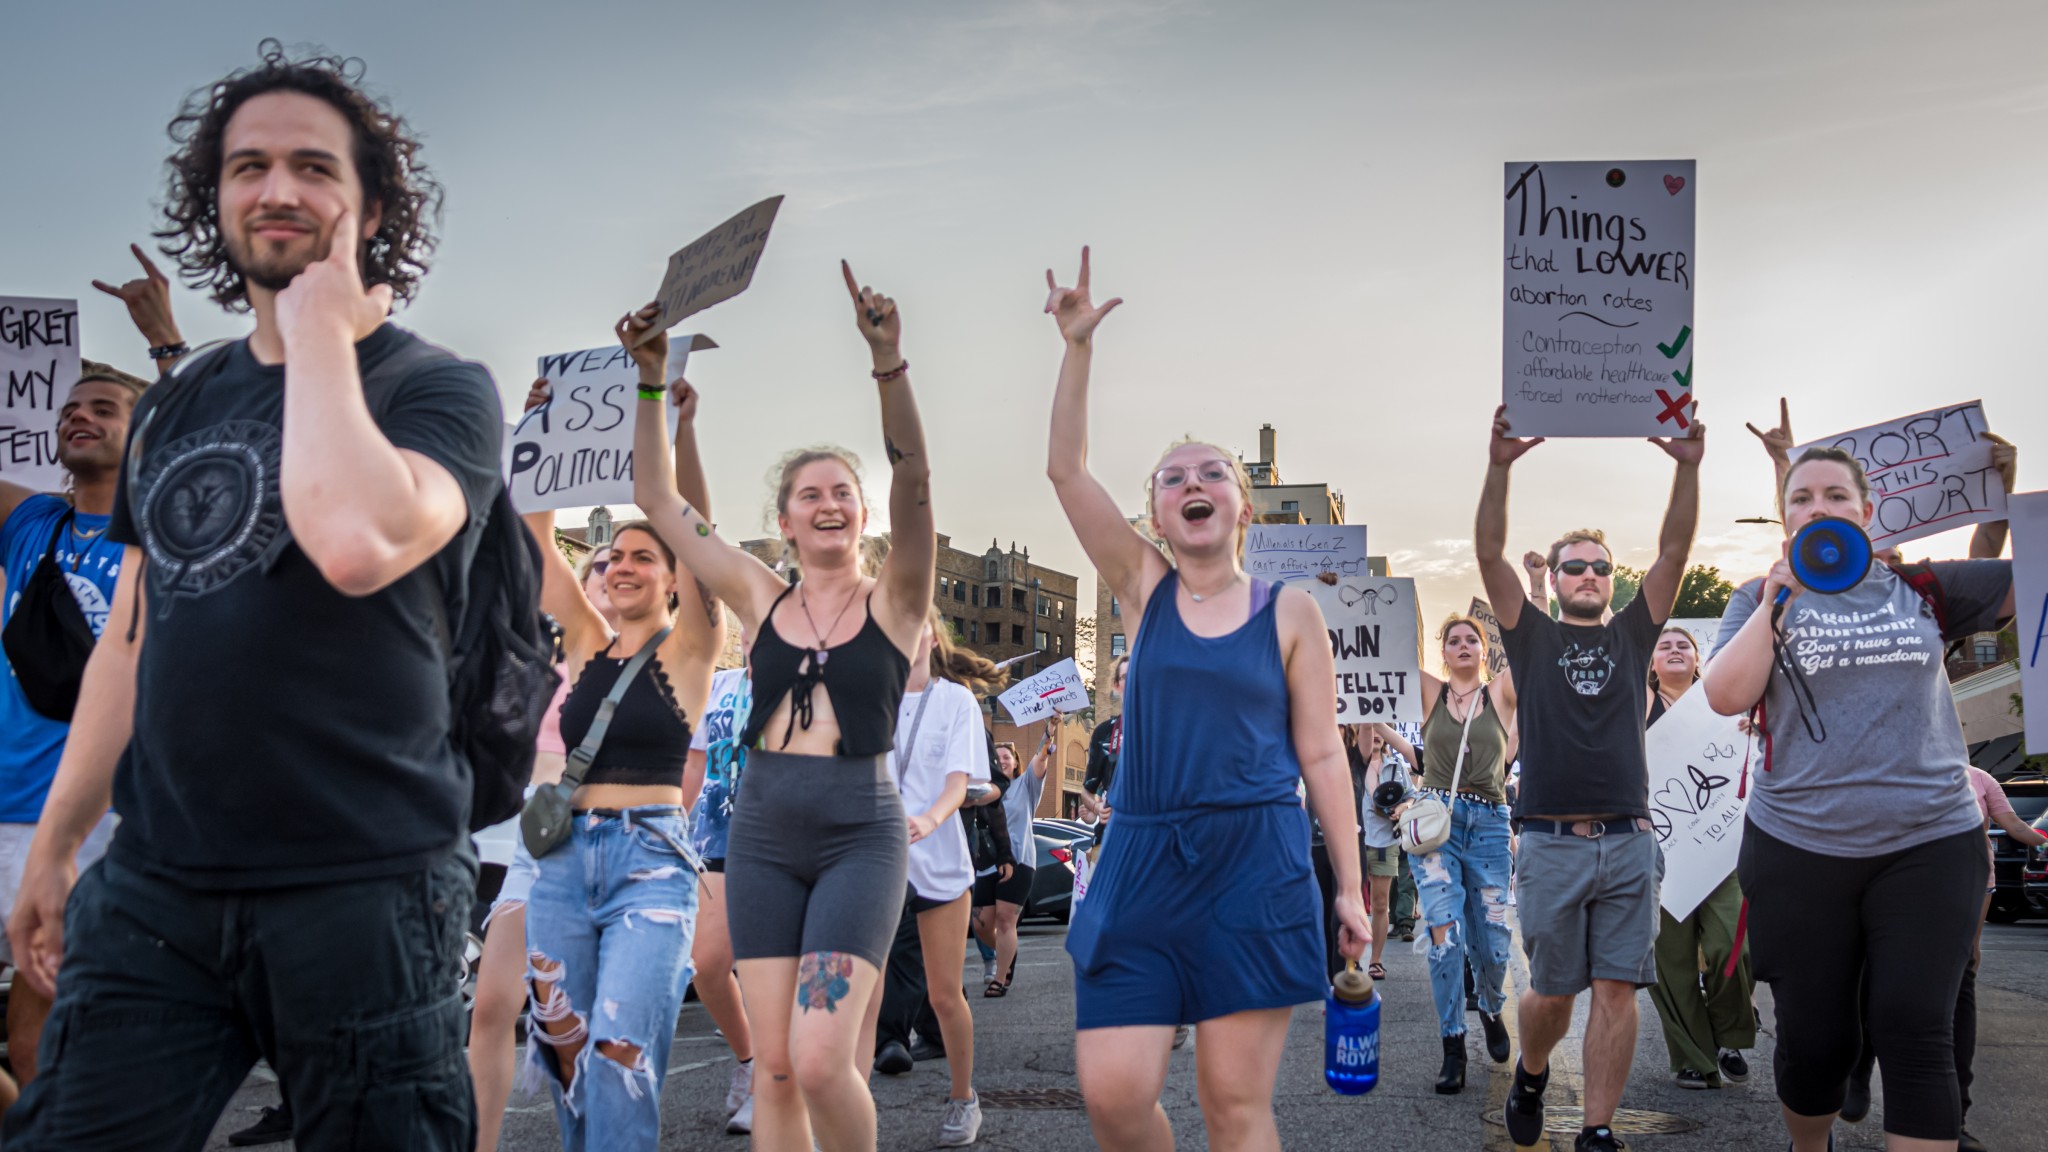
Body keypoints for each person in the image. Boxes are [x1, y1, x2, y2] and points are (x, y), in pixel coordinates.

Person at [6, 43, 502, 1150]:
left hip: (369, 883)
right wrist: (57, 842)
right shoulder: (177, 409)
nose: (277, 190)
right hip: (158, 882)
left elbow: (358, 540)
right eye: (247, 167)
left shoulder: (438, 390)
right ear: (214, 199)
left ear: (370, 204)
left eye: (314, 168)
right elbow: (129, 642)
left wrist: (321, 329)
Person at [1044, 248, 1367, 1152]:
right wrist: (1077, 350)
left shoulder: (1293, 612)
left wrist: (1347, 885)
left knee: (1233, 1106)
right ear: (1153, 513)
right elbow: (1066, 472)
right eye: (1175, 476)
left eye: (1213, 473)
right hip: (1141, 857)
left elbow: (1321, 756)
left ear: (1244, 509)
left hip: (1254, 861)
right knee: (1113, 1094)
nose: (1194, 483)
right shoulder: (1143, 590)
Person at [629, 260, 934, 1152]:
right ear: (787, 522)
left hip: (857, 832)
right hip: (761, 831)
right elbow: (659, 500)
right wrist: (652, 382)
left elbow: (915, 475)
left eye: (843, 493)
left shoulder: (896, 600)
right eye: (811, 495)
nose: (829, 503)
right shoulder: (762, 597)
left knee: (818, 1055)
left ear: (862, 515)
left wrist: (888, 362)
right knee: (771, 1065)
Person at [1705, 444, 2016, 1152]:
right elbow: (1726, 694)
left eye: (1836, 496)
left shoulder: (1924, 588)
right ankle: (1808, 1145)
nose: (1820, 508)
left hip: (1931, 842)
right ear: (1785, 520)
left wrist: (2003, 498)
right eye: (1803, 498)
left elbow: (2032, 575)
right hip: (1799, 850)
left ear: (1867, 512)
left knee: (1916, 1027)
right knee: (1818, 1043)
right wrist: (1779, 601)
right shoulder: (1757, 597)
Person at [1478, 403, 1704, 1152]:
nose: (1586, 574)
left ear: (1613, 580)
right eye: (1573, 564)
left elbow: (1675, 548)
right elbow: (1487, 552)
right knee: (1551, 992)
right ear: (1559, 575)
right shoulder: (1532, 635)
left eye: (1600, 566)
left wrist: (1687, 465)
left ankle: (1598, 1131)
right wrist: (1501, 466)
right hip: (1549, 841)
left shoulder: (1635, 633)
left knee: (1617, 987)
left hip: (1630, 842)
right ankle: (1534, 1071)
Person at [516, 342, 721, 1150]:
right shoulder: (583, 644)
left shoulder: (690, 650)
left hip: (651, 865)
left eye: (645, 556)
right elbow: (534, 546)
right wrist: (540, 431)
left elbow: (702, 538)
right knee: (568, 1059)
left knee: (619, 1056)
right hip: (562, 866)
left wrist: (686, 433)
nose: (625, 564)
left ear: (674, 577)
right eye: (614, 557)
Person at [0, 360, 148, 1113]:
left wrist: (164, 350)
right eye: (68, 409)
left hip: (90, 818)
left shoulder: (164, 534)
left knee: (45, 1028)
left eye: (103, 408)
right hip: (4, 797)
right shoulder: (31, 523)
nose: (77, 417)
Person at [866, 612, 998, 1145]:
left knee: (944, 995)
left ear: (933, 634)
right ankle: (849, 1101)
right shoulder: (869, 694)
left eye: (912, 620)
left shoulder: (956, 701)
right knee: (866, 997)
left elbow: (959, 784)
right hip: (875, 858)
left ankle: (964, 1098)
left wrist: (928, 819)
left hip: (938, 856)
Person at [1407, 614, 1520, 1093]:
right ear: (1444, 652)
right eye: (1453, 640)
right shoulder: (1430, 692)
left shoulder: (1501, 695)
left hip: (1491, 828)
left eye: (1471, 638)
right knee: (1445, 938)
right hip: (1437, 827)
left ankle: (1491, 1007)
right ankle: (1452, 1043)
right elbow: (1372, 659)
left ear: (1484, 649)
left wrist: (1538, 587)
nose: (1463, 645)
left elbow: (1532, 648)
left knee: (1493, 943)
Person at [1641, 626, 1755, 1091]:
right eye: (1663, 646)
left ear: (1697, 657)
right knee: (1671, 961)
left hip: (1722, 850)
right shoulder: (1635, 708)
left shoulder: (1726, 701)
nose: (1673, 651)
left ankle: (1727, 1035)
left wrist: (1755, 727)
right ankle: (1693, 1055)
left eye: (1682, 645)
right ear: (1649, 664)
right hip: (1656, 852)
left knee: (1734, 945)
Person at [689, 661, 760, 1135]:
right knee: (708, 965)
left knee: (763, 968)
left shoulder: (803, 680)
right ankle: (748, 1057)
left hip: (774, 837)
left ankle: (771, 1089)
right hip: (712, 837)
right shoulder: (717, 684)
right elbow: (692, 760)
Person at [976, 727, 1050, 995]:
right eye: (997, 758)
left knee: (1006, 920)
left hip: (1019, 860)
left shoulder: (1026, 785)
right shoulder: (983, 791)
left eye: (1007, 757)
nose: (1002, 761)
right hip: (986, 862)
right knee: (981, 923)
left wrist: (1049, 731)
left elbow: (1041, 758)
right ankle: (1008, 950)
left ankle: (1000, 977)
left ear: (1016, 761)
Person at [1351, 723, 1415, 983]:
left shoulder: (1396, 767)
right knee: (1351, 903)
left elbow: (1411, 796)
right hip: (1353, 839)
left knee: (1380, 904)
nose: (1376, 734)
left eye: (1382, 727)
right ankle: (1350, 960)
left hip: (1385, 841)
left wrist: (1403, 807)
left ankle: (1375, 961)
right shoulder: (1351, 762)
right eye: (1371, 727)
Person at [1080, 656, 1126, 826]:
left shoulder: (1164, 730)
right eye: (1126, 677)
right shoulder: (1104, 732)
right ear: (1116, 684)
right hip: (1115, 829)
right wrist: (1097, 807)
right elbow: (1087, 790)